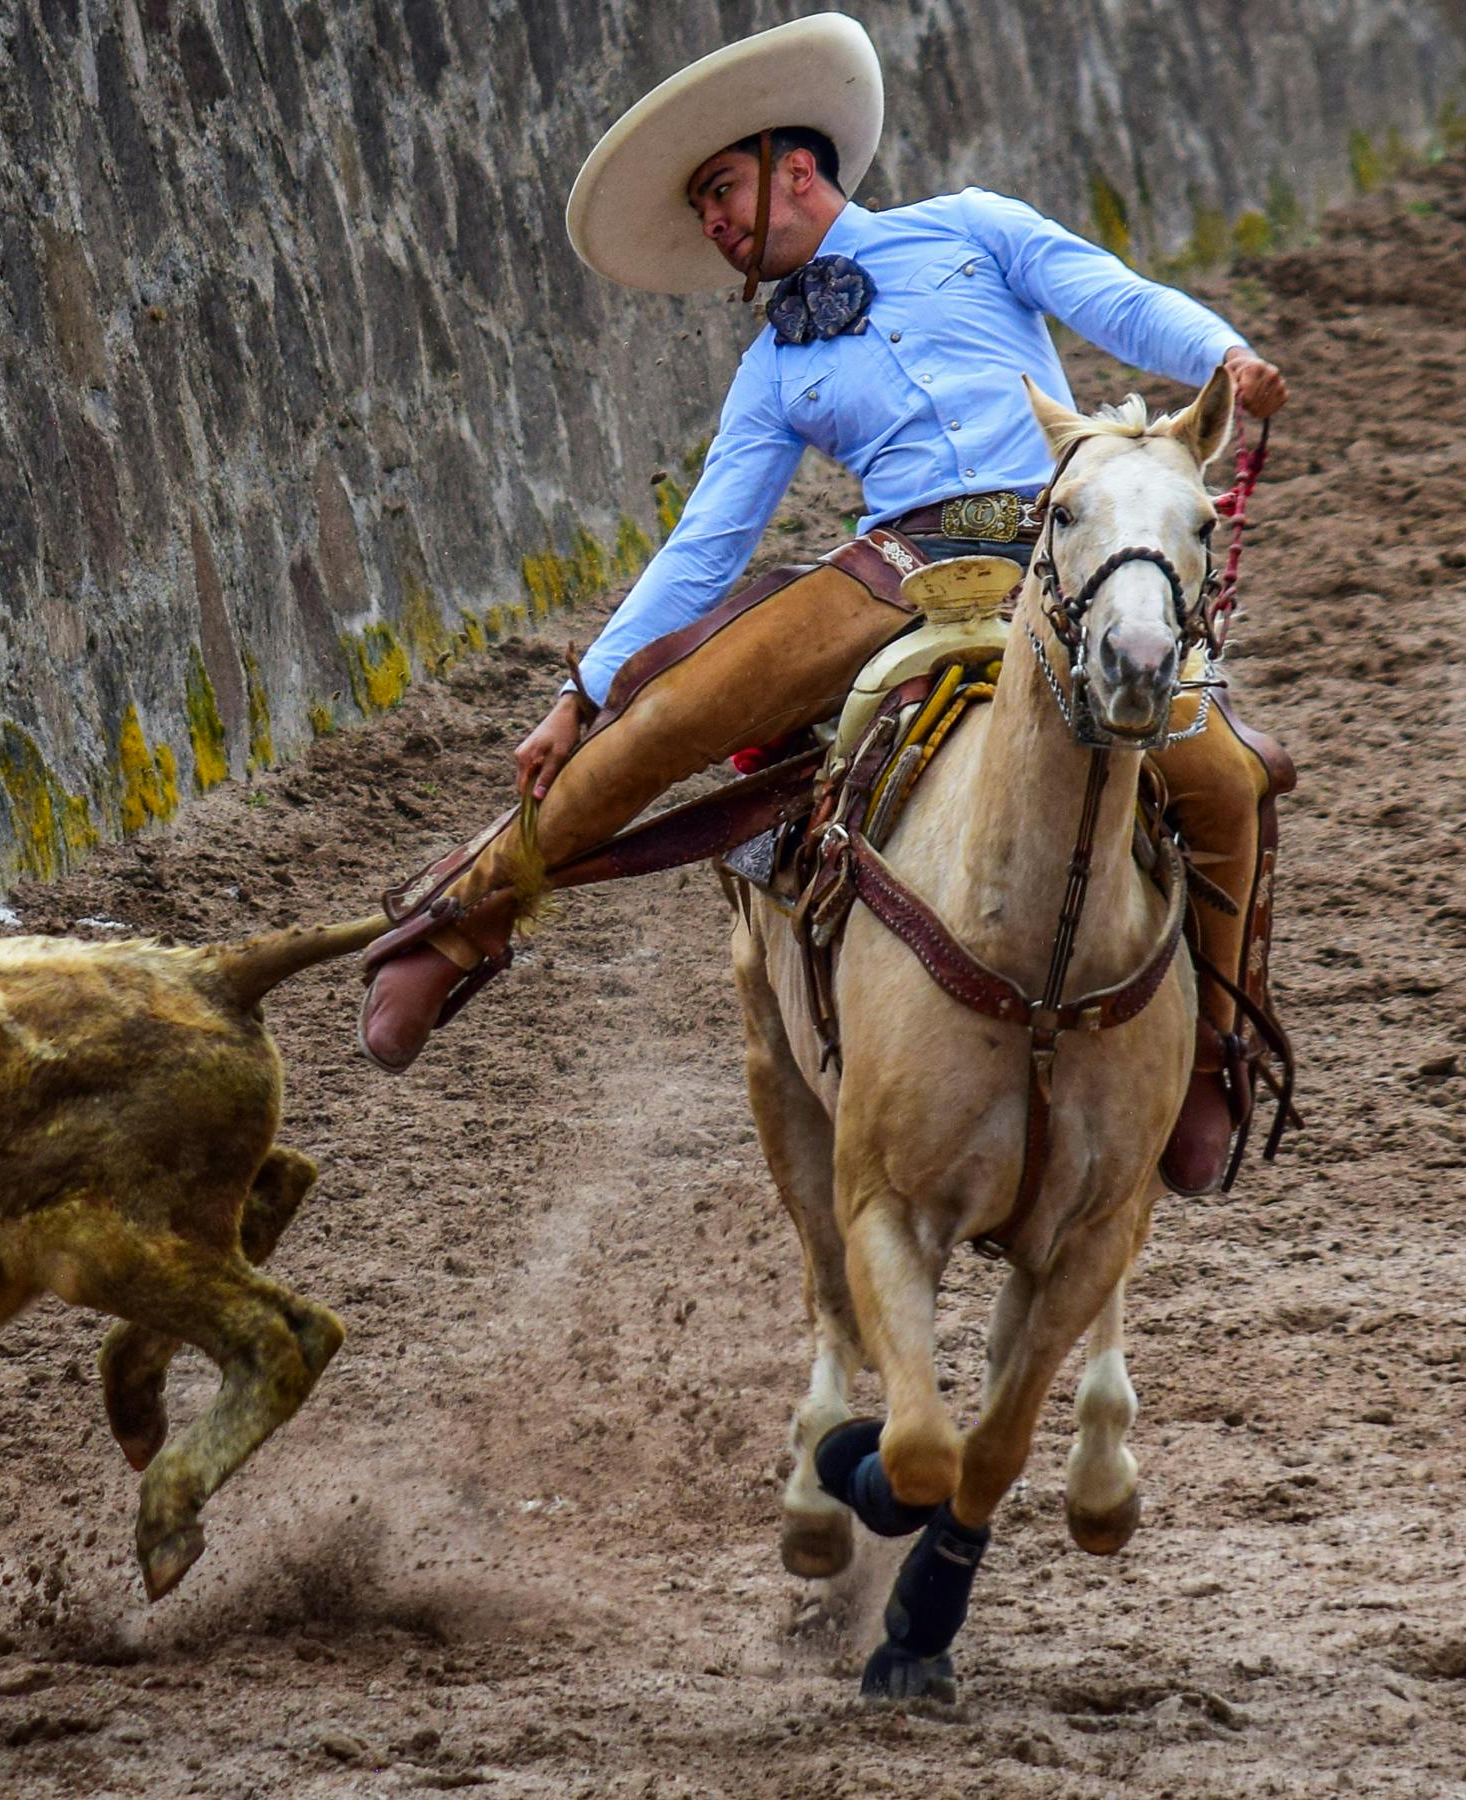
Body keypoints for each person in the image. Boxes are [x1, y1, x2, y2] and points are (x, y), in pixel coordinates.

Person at [355, 13, 1295, 1194]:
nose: (710, 221)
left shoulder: (976, 227)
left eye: (720, 189)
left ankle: (1214, 1057)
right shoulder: (772, 369)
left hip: (1072, 554)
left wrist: (1226, 353)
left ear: (796, 168)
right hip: (894, 570)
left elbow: (1117, 301)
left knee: (1222, 778)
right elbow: (706, 546)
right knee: (670, 716)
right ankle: (458, 925)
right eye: (702, 204)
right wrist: (581, 691)